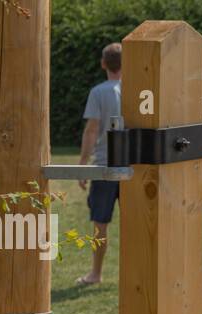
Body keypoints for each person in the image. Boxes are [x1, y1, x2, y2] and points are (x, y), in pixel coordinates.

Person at [75, 43, 123, 286]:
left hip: (104, 167)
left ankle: (95, 273)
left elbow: (92, 129)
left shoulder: (98, 92)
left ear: (103, 63)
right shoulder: (138, 91)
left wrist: (83, 164)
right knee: (138, 224)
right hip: (132, 167)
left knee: (100, 224)